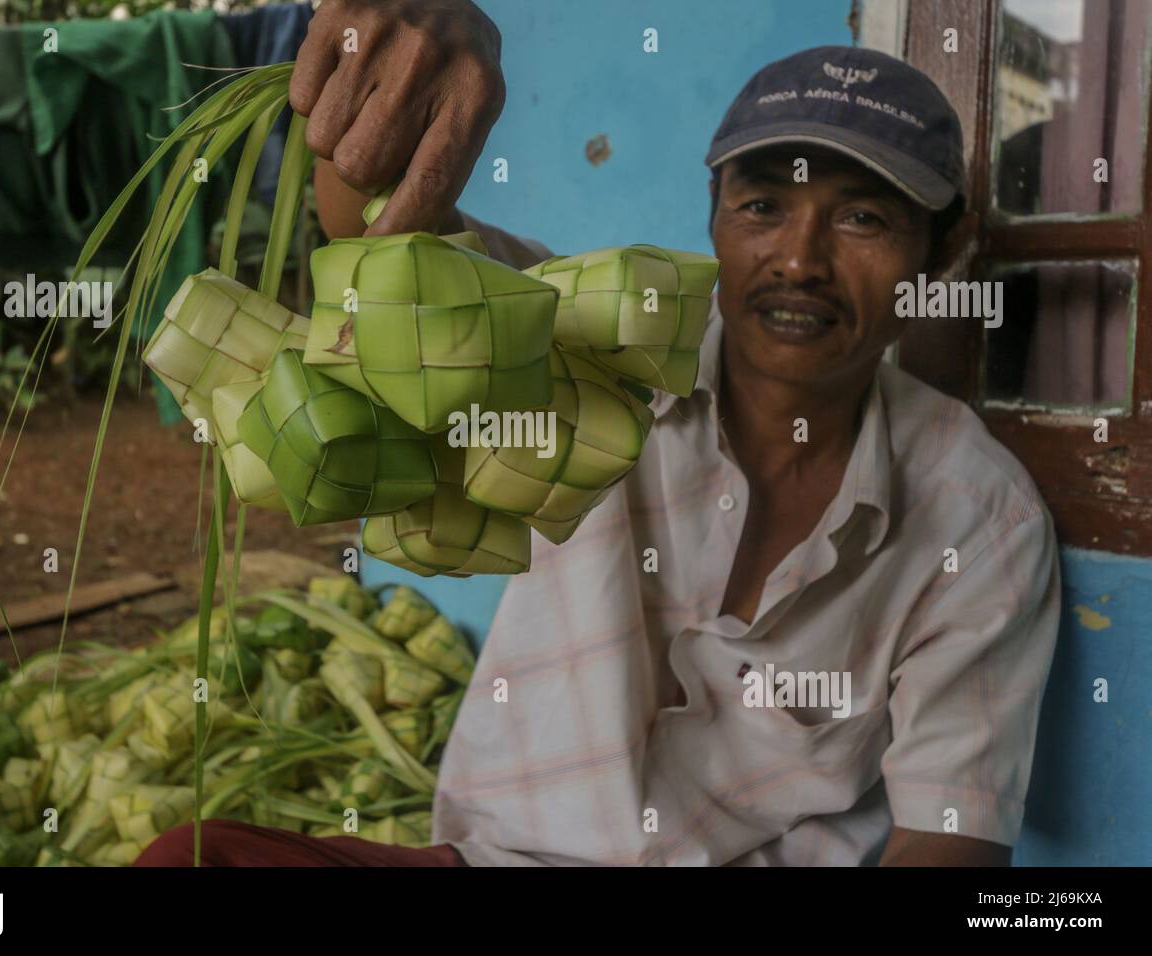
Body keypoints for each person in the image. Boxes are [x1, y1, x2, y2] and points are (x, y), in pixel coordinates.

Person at [137, 0, 1060, 867]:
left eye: (863, 217)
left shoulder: (980, 516)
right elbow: (386, 243)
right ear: (713, 213)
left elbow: (951, 838)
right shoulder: (600, 345)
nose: (799, 260)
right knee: (195, 861)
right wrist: (401, 42)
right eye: (763, 206)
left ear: (945, 253)